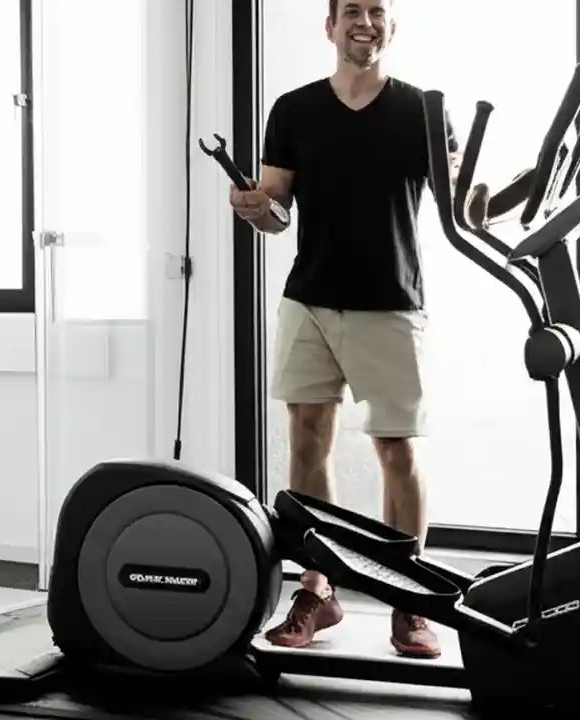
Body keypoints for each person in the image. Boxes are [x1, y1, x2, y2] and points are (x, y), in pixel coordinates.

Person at [228, 0, 459, 660]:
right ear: (329, 26)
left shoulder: (421, 110)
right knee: (307, 444)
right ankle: (318, 588)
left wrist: (503, 192)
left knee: (397, 453)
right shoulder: (293, 109)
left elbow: (462, 199)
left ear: (392, 26)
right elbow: (276, 208)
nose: (364, 21)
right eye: (351, 10)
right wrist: (253, 207)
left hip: (390, 302)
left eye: (376, 10)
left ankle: (410, 601)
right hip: (310, 300)